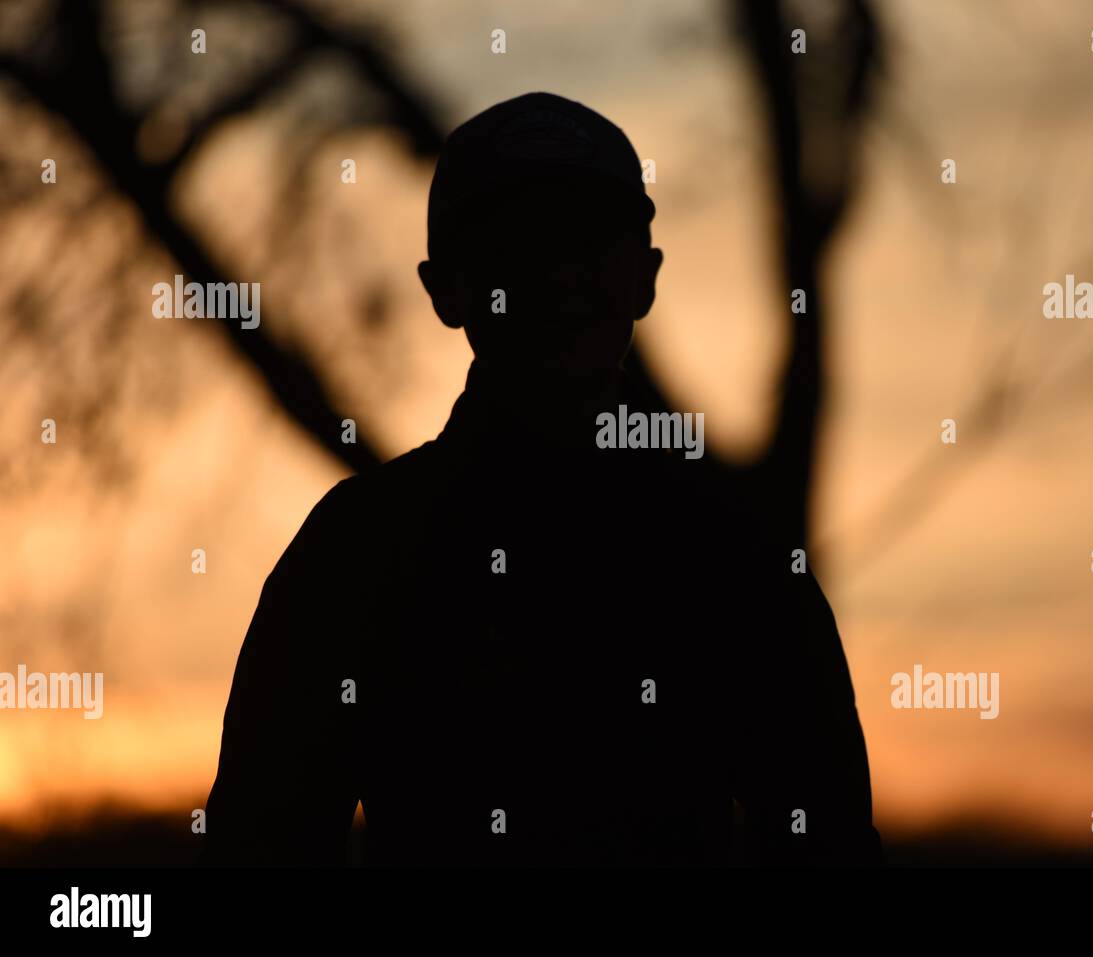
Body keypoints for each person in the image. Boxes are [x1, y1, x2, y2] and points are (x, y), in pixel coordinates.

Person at [204, 91, 882, 866]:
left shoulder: (735, 552)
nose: (561, 272)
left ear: (646, 279)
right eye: (519, 241)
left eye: (591, 240)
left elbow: (828, 849)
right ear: (445, 289)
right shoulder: (355, 552)